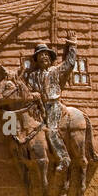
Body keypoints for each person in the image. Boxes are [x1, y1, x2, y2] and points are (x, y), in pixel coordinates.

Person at [24, 41, 79, 170]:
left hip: (53, 105)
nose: (43, 57)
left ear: (50, 57)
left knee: (51, 131)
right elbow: (29, 90)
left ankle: (64, 158)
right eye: (40, 55)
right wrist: (34, 94)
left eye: (45, 55)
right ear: (36, 59)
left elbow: (70, 64)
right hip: (38, 107)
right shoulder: (33, 75)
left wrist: (72, 45)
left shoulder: (55, 71)